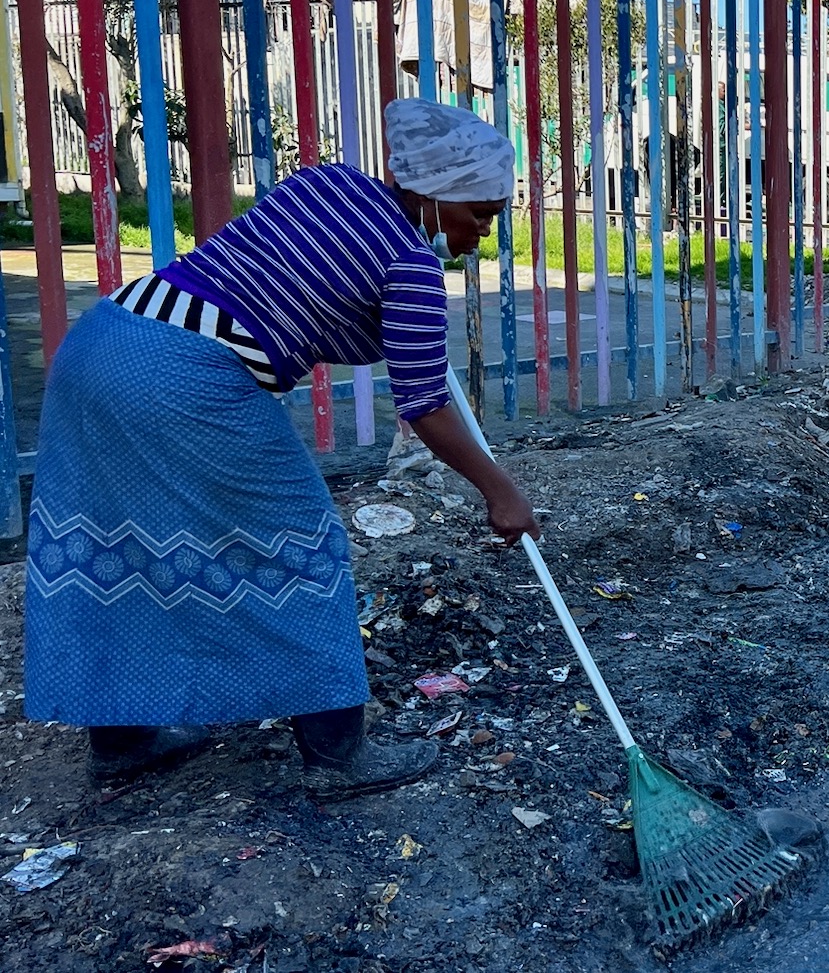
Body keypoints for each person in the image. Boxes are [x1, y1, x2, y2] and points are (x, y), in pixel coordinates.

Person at [23, 98, 540, 799]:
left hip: (103, 340)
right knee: (302, 541)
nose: (482, 234)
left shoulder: (327, 185)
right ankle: (337, 755)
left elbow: (311, 290)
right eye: (480, 213)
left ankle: (122, 740)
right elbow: (425, 405)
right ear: (433, 191)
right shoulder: (412, 268)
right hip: (183, 374)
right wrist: (499, 488)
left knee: (122, 536)